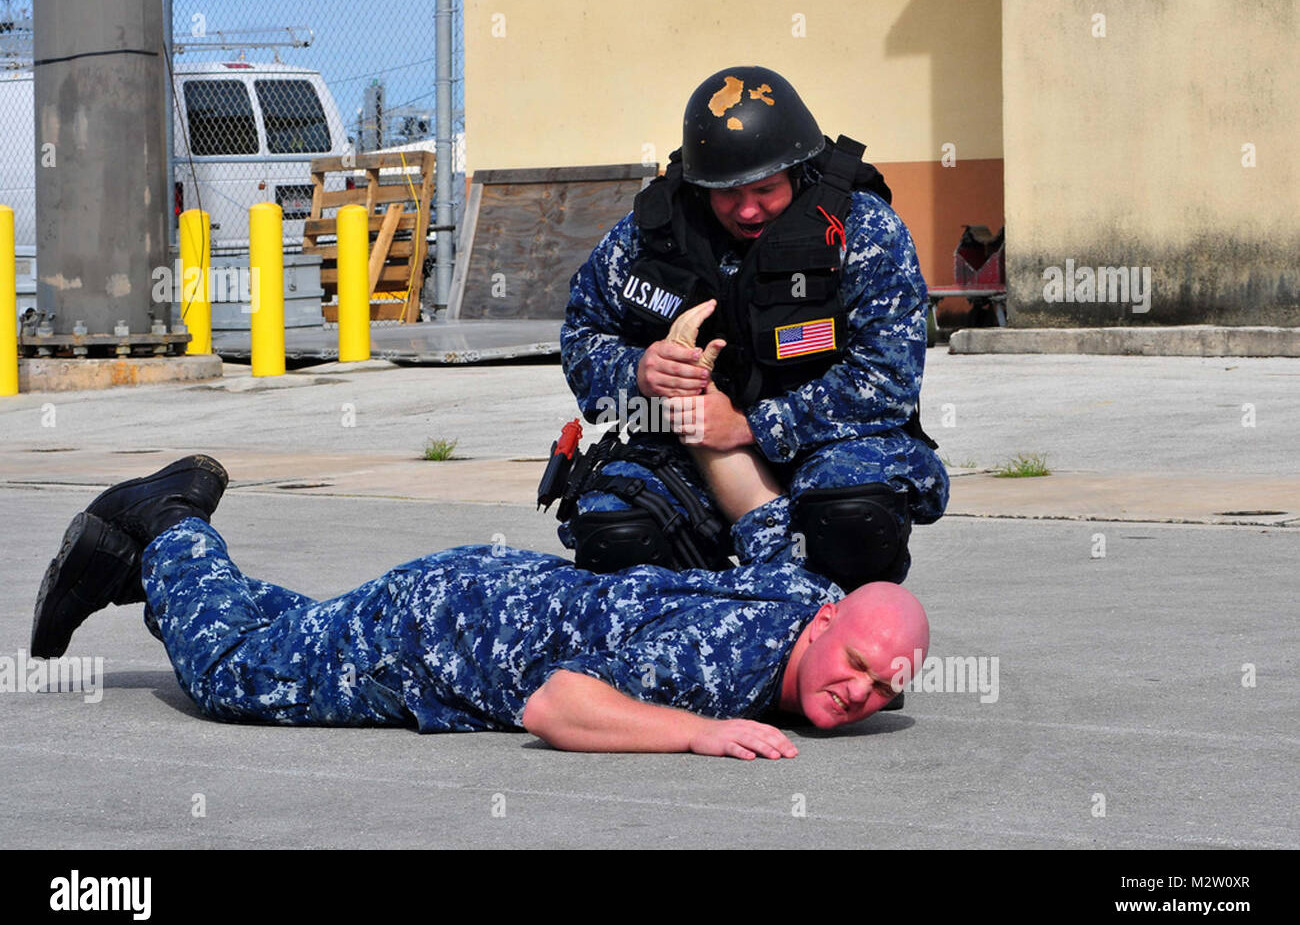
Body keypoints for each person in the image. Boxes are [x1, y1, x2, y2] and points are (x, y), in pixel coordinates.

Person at [32, 455, 930, 760]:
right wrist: (697, 731)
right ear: (828, 625)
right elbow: (556, 703)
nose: (860, 696)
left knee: (294, 640)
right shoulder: (720, 666)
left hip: (486, 594)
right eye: (857, 668)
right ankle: (169, 523)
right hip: (447, 635)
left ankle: (157, 575)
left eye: (882, 691)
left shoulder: (806, 591)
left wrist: (704, 412)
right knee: (237, 675)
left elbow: (766, 518)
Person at [558, 65, 949, 592]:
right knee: (618, 531)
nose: (747, 209)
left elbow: (888, 382)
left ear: (799, 171)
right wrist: (640, 372)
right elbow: (583, 334)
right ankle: (689, 648)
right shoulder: (650, 233)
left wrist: (749, 425)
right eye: (727, 193)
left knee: (851, 516)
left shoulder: (862, 228)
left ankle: (841, 640)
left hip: (829, 442)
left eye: (765, 189)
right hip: (685, 450)